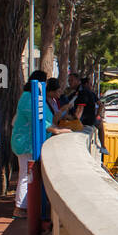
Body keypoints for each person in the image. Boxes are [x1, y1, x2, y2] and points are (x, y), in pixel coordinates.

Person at [11, 71, 69, 219]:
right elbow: (38, 118)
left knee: (28, 174)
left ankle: (26, 206)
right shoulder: (29, 98)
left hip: (29, 142)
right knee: (26, 174)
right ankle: (20, 208)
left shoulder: (32, 97)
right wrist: (56, 130)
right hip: (25, 143)